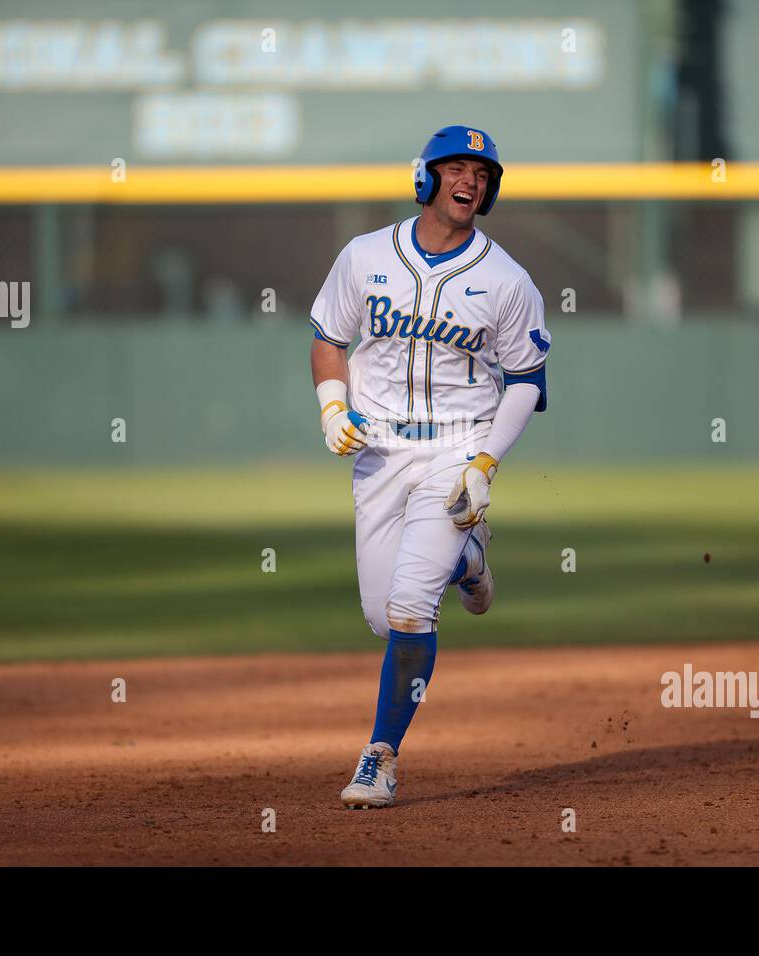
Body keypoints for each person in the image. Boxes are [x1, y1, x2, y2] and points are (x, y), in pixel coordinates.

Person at [308, 124, 552, 808]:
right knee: (384, 619)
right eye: (457, 168)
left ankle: (379, 758)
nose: (471, 181)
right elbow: (329, 338)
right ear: (427, 177)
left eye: (483, 173)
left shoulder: (505, 280)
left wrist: (484, 461)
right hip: (380, 450)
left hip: (456, 445)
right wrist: (333, 408)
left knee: (413, 609)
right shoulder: (364, 256)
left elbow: (528, 379)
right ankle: (467, 559)